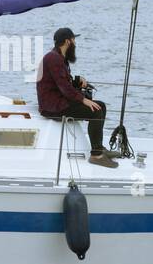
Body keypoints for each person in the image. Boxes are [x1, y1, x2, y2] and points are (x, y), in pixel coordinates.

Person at [36, 27, 119, 168]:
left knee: (101, 106)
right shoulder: (54, 59)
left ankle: (98, 148)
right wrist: (84, 100)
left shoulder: (58, 57)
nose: (75, 43)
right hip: (53, 106)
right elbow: (64, 87)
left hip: (59, 101)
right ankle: (96, 156)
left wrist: (76, 80)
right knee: (96, 110)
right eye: (74, 40)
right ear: (68, 42)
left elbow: (61, 81)